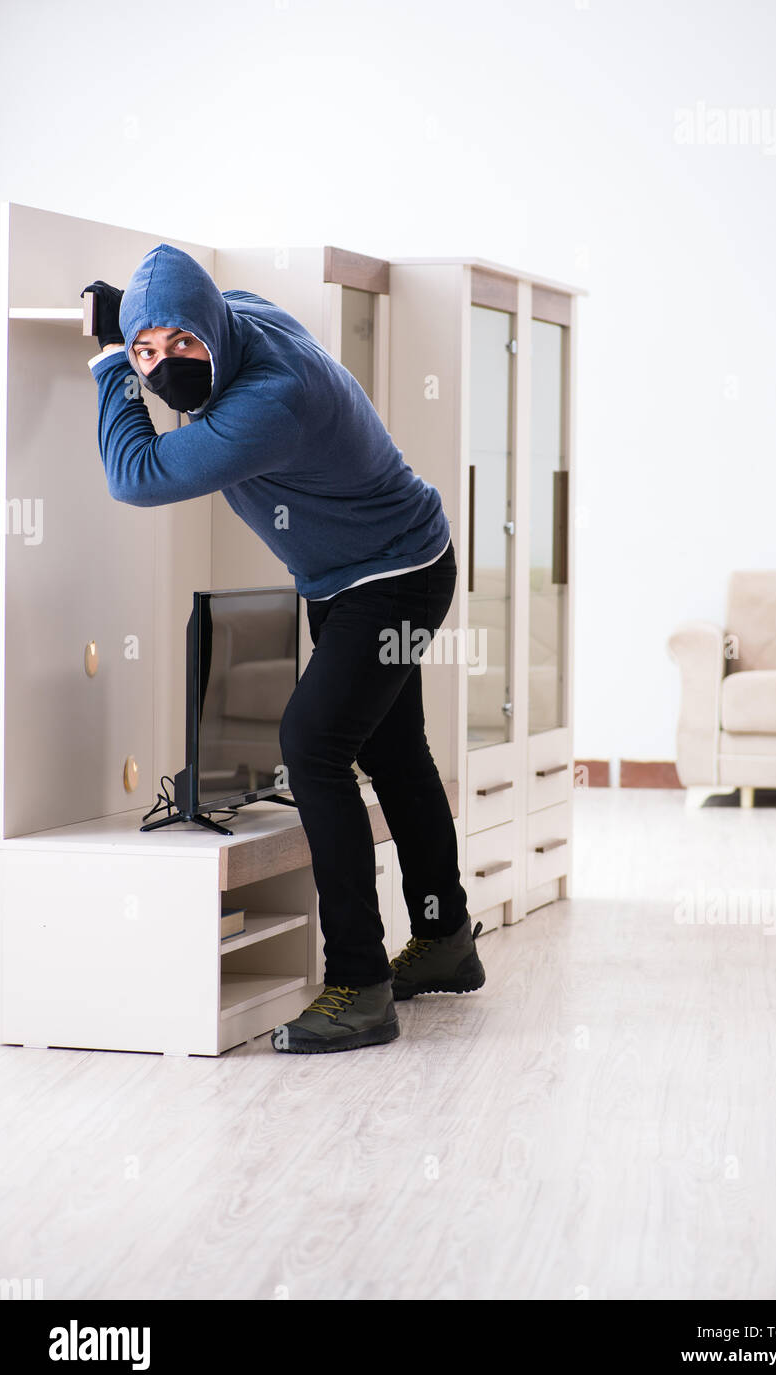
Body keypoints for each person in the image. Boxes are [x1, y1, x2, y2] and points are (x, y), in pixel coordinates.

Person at [82, 245, 485, 1055]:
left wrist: (111, 369)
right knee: (395, 753)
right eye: (147, 352)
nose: (166, 367)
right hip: (349, 574)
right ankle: (444, 937)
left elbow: (135, 473)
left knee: (312, 747)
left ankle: (358, 985)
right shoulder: (243, 312)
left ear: (214, 333)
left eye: (183, 345)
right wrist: (146, 325)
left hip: (395, 576)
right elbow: (187, 317)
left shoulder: (270, 401)